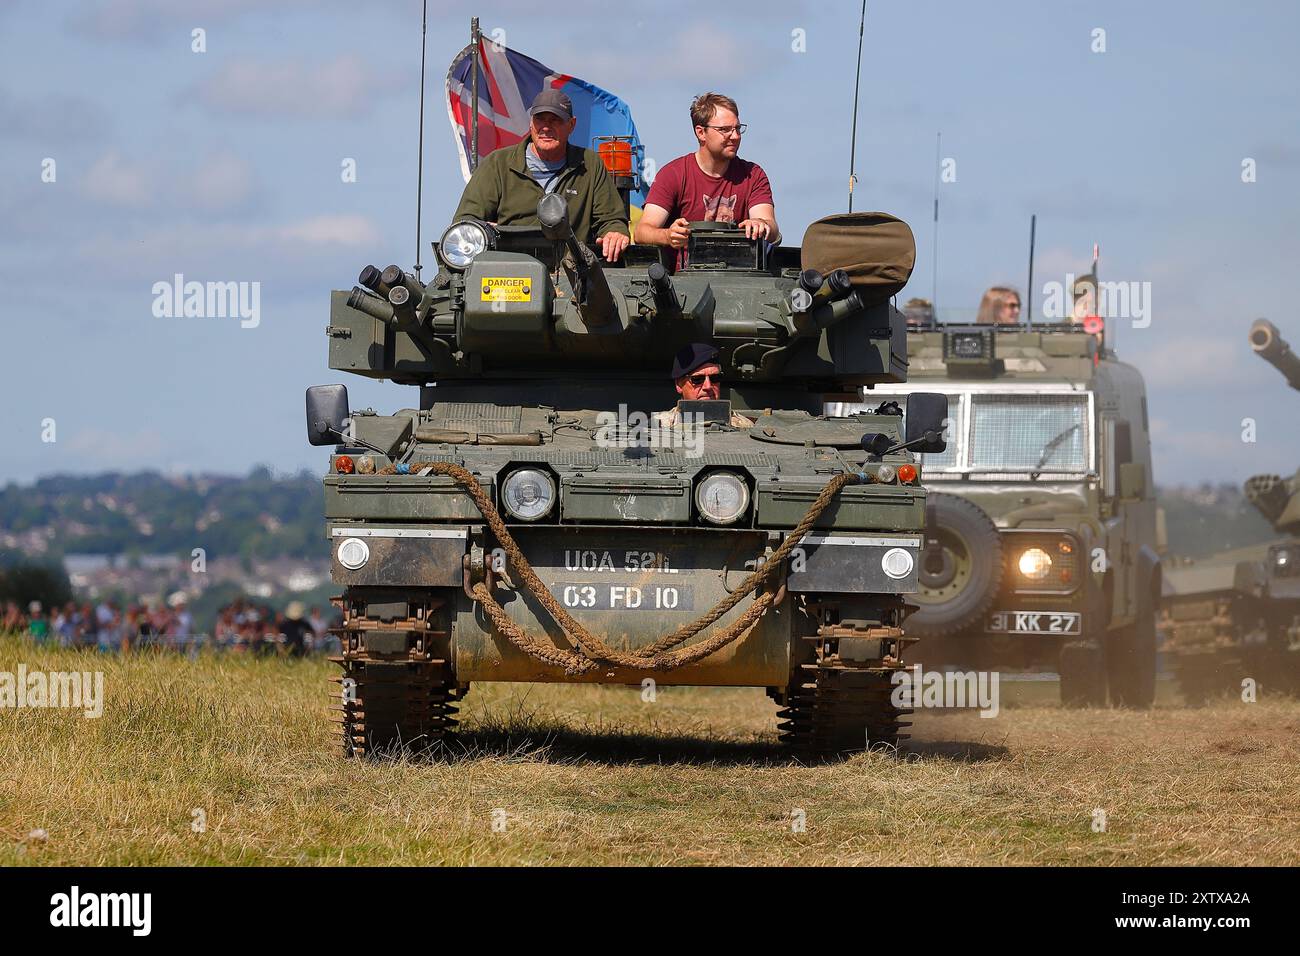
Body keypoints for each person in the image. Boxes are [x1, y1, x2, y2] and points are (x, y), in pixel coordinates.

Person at [453, 89, 630, 263]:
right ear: (530, 123)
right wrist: (483, 229)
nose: (546, 127)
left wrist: (614, 234)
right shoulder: (498, 164)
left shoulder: (589, 164)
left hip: (571, 274)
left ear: (572, 125)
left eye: (555, 120)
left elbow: (611, 220)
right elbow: (465, 222)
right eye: (539, 119)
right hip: (507, 275)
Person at [634, 93, 779, 267]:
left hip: (741, 278)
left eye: (738, 128)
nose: (735, 136)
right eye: (725, 129)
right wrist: (668, 235)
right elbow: (642, 232)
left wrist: (761, 224)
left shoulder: (753, 175)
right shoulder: (673, 174)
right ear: (701, 132)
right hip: (685, 282)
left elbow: (771, 226)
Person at [654, 343, 753, 428]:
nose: (708, 386)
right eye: (697, 379)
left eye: (715, 378)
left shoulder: (743, 426)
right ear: (679, 385)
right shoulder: (658, 425)